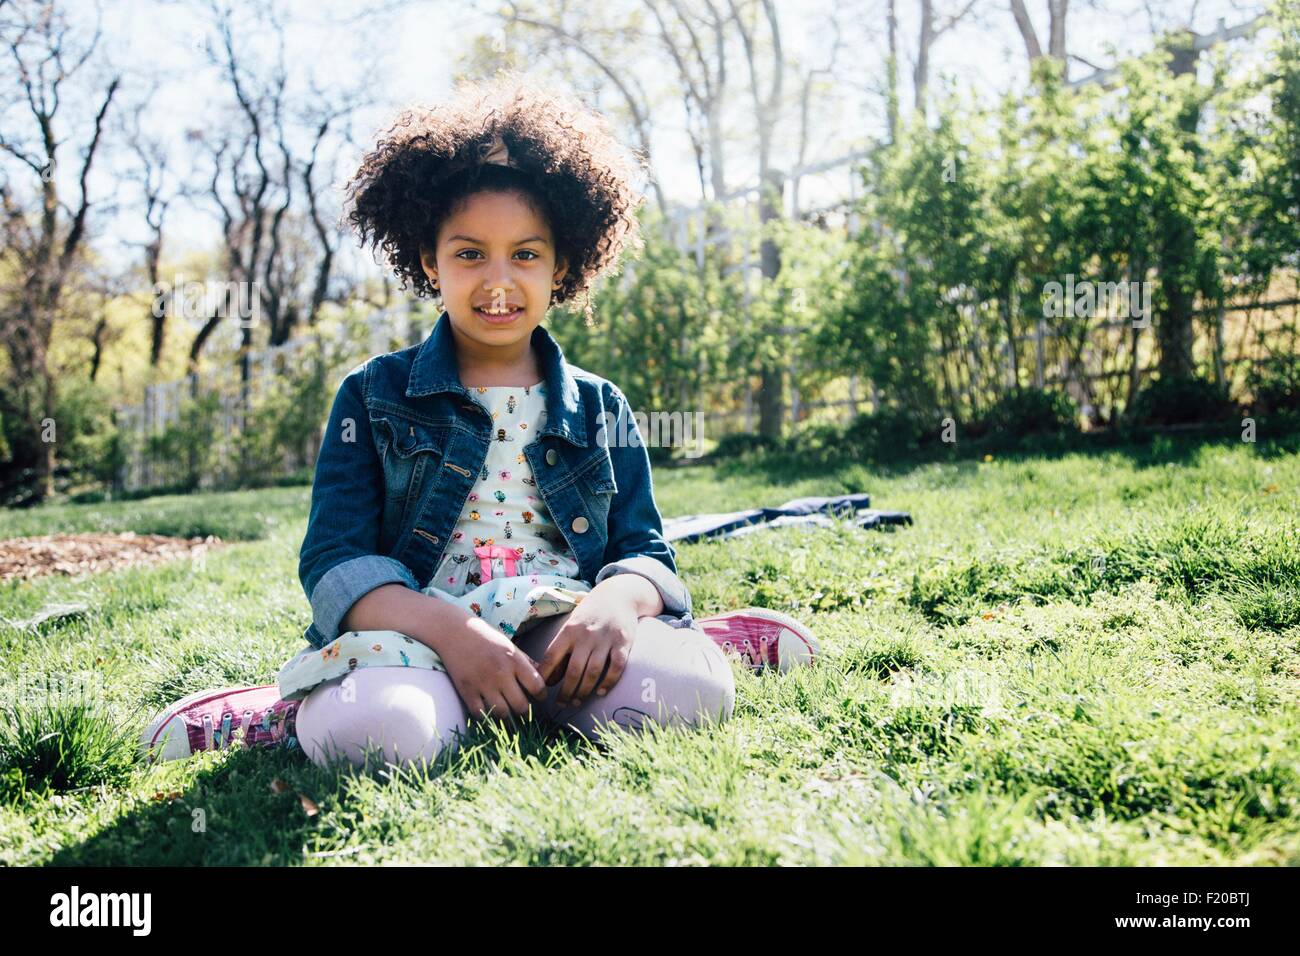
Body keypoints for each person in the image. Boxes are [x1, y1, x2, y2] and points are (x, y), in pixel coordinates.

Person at [141, 76, 819, 769]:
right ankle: (293, 709)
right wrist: (453, 631)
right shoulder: (374, 395)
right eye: (470, 254)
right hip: (413, 635)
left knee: (688, 696)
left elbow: (643, 547)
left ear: (563, 266)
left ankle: (676, 644)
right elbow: (333, 561)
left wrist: (616, 602)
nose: (499, 281)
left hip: (554, 624)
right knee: (384, 739)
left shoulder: (600, 405)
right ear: (429, 261)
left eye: (526, 253)